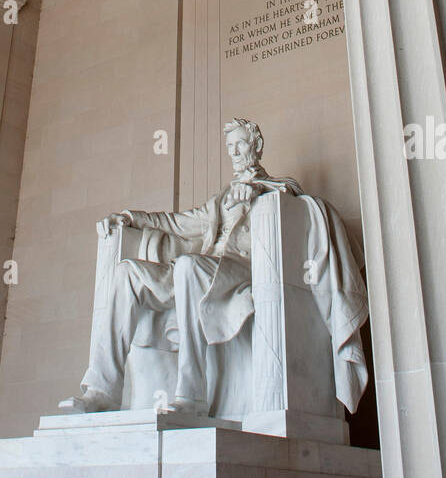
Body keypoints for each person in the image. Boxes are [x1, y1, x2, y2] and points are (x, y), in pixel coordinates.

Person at [61, 118, 304, 415]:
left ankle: (191, 395)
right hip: (197, 271)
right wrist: (129, 218)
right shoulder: (221, 200)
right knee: (127, 272)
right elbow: (176, 223)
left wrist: (257, 191)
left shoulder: (277, 187)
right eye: (230, 146)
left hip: (239, 271)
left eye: (240, 143)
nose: (234, 152)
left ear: (257, 145)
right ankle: (103, 390)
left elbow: (292, 195)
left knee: (188, 267)